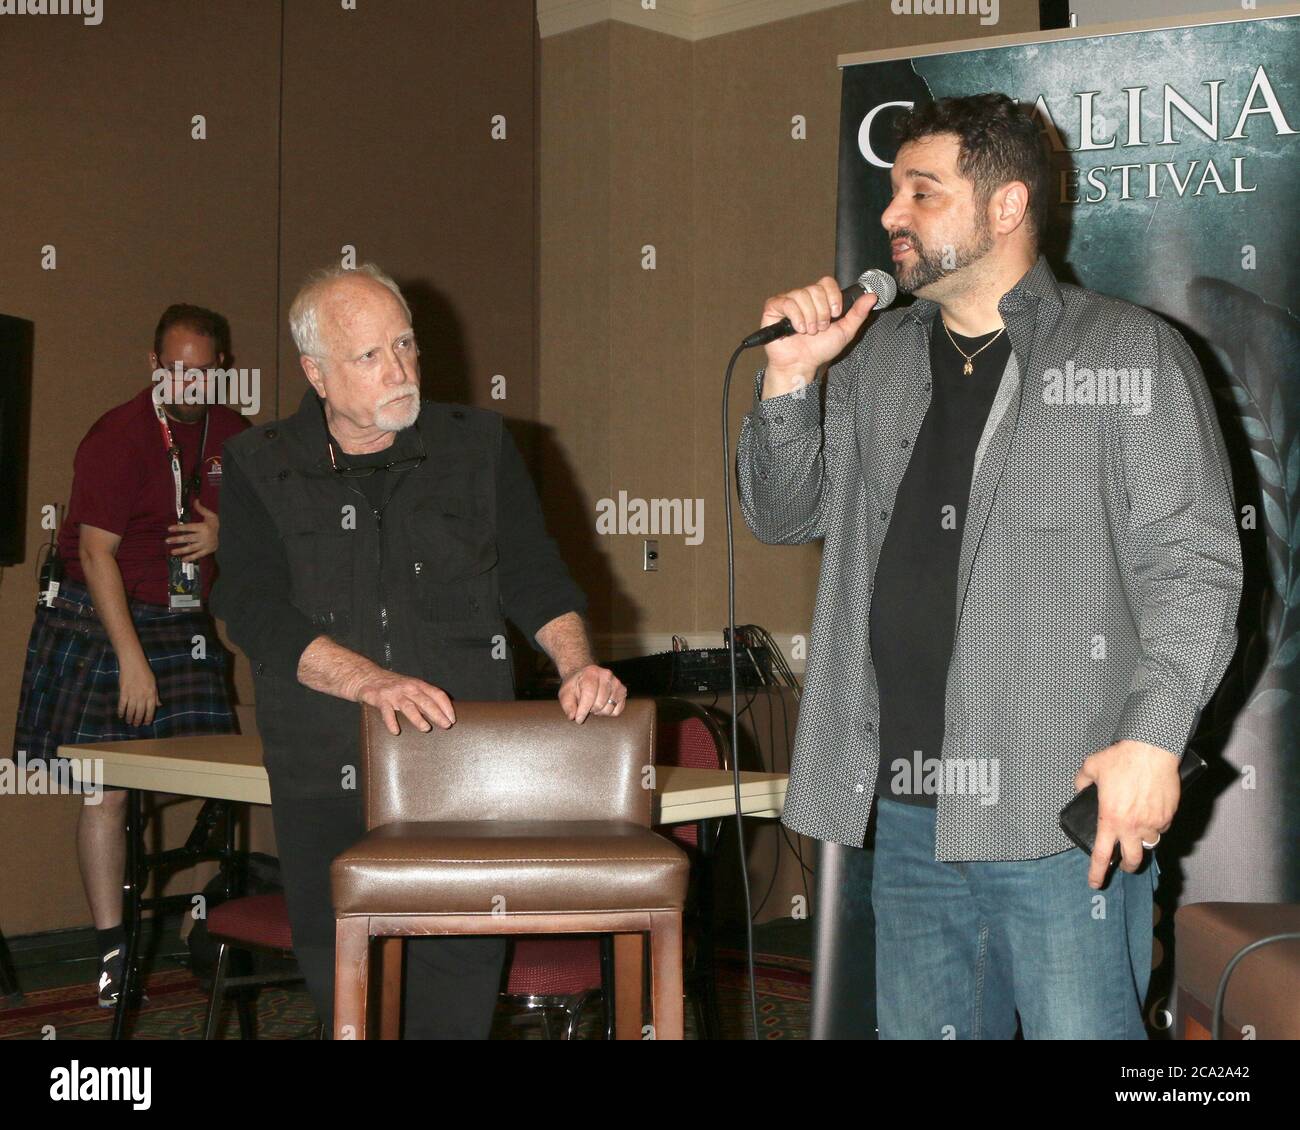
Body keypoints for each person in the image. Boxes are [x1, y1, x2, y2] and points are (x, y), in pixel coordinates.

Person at [736, 93, 1242, 1039]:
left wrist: (1155, 737)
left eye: (922, 193)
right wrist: (791, 379)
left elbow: (1197, 566)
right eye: (892, 193)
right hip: (909, 815)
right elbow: (780, 510)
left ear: (1006, 208)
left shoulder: (1124, 352)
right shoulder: (877, 363)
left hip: (1058, 820)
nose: (890, 215)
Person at [212, 262, 627, 1039]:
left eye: (405, 345)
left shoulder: (477, 447)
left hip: (464, 771)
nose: (399, 371)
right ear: (316, 374)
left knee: (458, 986)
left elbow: (534, 575)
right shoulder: (257, 463)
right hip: (323, 769)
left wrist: (576, 662)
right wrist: (368, 682)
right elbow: (253, 611)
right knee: (350, 996)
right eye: (369, 356)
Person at [12, 304, 248, 1006]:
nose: (186, 384)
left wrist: (225, 536)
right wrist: (132, 660)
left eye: (201, 374)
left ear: (222, 375)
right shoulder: (118, 437)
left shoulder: (234, 436)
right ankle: (113, 950)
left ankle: (222, 881)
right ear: (153, 366)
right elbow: (94, 550)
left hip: (181, 619)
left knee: (224, 763)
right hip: (100, 612)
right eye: (174, 370)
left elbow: (281, 533)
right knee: (105, 789)